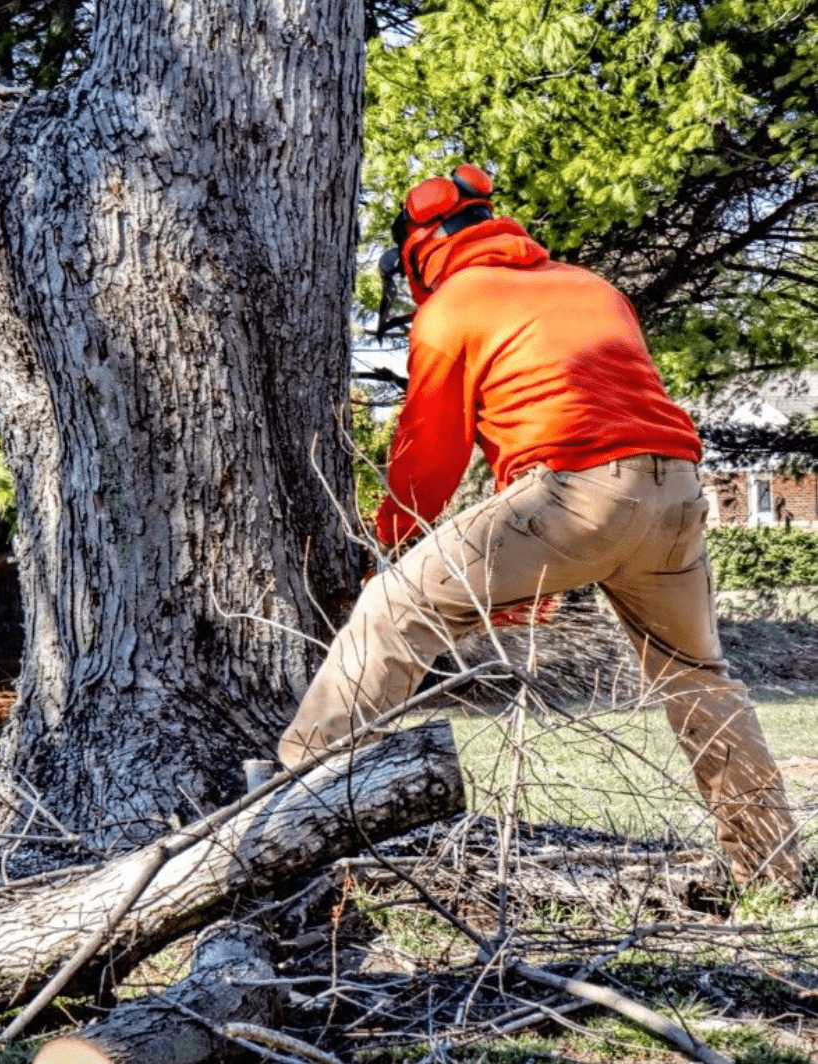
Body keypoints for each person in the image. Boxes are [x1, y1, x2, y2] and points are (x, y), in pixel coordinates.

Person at [278, 164, 801, 889]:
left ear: (420, 254)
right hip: (676, 492)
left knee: (391, 611)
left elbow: (429, 458)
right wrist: (525, 571)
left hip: (576, 491)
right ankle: (769, 864)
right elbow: (574, 414)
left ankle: (280, 811)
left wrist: (390, 548)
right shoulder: (593, 288)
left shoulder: (454, 304)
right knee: (697, 679)